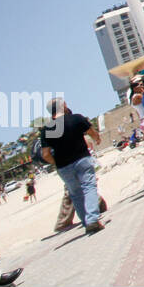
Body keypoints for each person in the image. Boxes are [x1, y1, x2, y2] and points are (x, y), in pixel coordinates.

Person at [38, 99, 104, 235]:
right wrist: (97, 138)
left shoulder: (46, 129)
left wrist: (56, 163)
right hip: (82, 160)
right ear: (64, 106)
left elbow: (45, 154)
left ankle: (87, 222)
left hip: (63, 167)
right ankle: (92, 219)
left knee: (76, 194)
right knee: (89, 187)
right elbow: (92, 132)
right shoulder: (76, 119)